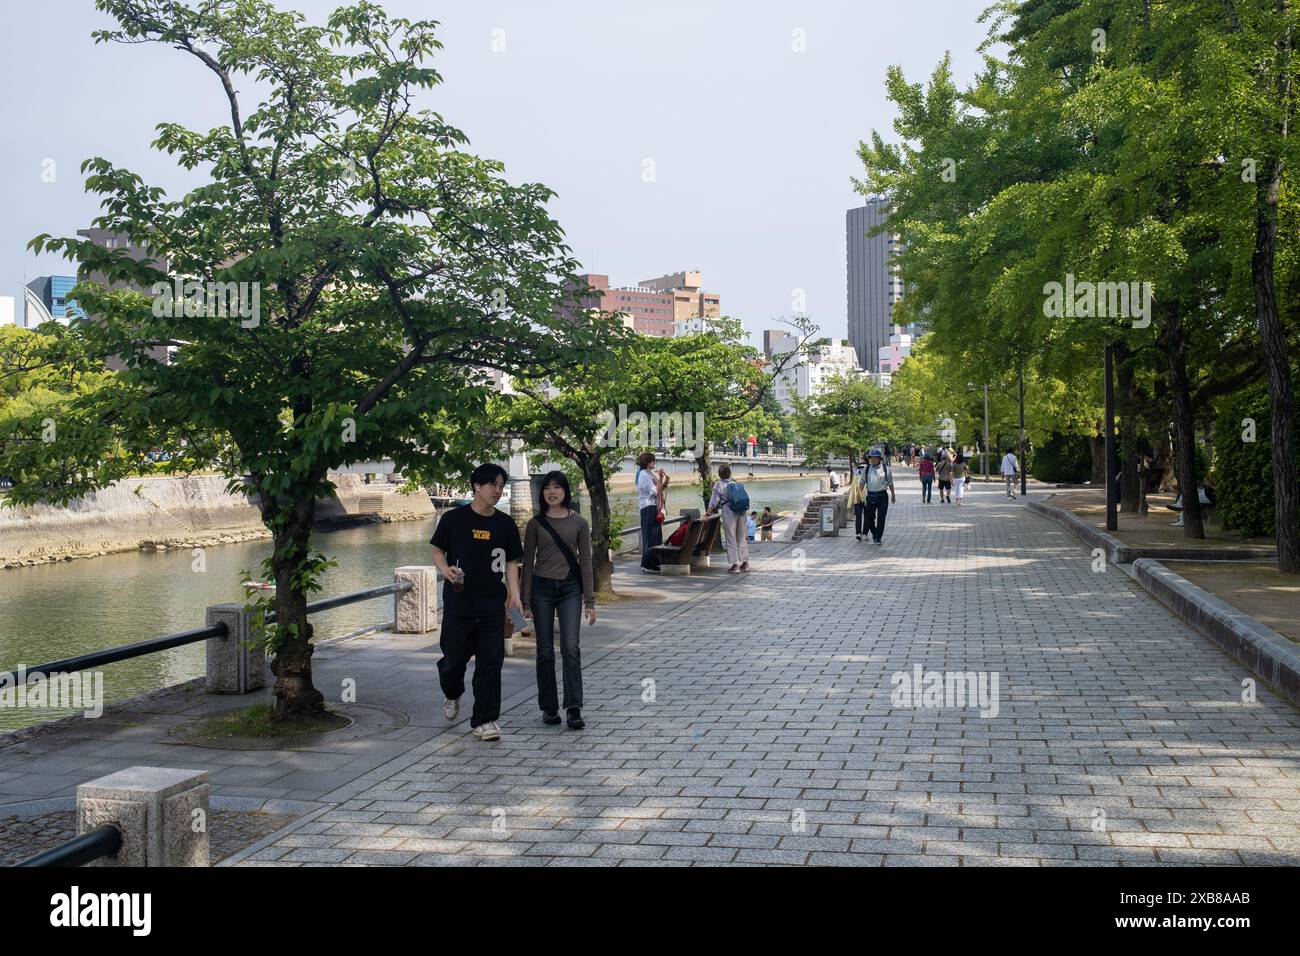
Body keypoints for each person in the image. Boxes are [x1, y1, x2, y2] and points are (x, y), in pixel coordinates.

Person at [429, 462, 523, 742]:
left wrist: (515, 594)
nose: (497, 490)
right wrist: (445, 570)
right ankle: (452, 692)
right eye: (492, 484)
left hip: (492, 605)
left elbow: (512, 562)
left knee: (491, 664)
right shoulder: (453, 519)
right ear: (476, 487)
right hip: (459, 605)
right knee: (453, 661)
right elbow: (436, 550)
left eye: (501, 485)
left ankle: (485, 720)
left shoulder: (505, 524)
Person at [522, 471, 595, 731]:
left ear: (565, 491)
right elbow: (527, 563)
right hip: (541, 588)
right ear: (542, 493)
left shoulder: (579, 523)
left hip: (570, 589)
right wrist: (525, 602)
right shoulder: (535, 524)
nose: (552, 492)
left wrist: (590, 600)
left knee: (570, 648)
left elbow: (585, 561)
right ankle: (549, 708)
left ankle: (573, 708)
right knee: (544, 651)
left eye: (557, 487)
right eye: (547, 488)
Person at [707, 463, 750, 573]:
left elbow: (713, 503)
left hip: (729, 512)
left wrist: (707, 514)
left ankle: (735, 565)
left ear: (719, 474)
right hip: (741, 511)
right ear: (729, 473)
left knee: (731, 538)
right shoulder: (735, 483)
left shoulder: (718, 485)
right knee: (741, 537)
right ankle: (745, 563)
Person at [635, 452, 668, 573]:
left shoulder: (650, 474)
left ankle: (655, 562)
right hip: (648, 508)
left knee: (656, 536)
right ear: (648, 462)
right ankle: (648, 564)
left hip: (654, 507)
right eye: (653, 461)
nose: (655, 463)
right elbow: (654, 491)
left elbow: (661, 489)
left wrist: (663, 480)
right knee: (650, 536)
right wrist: (660, 479)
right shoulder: (643, 475)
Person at [861, 448, 896, 544]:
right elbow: (862, 482)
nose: (872, 459)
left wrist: (893, 494)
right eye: (871, 458)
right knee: (869, 518)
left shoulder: (886, 469)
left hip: (882, 496)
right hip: (871, 495)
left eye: (875, 458)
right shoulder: (867, 469)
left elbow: (890, 483)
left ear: (879, 458)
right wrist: (859, 494)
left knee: (881, 518)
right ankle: (875, 532)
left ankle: (878, 538)